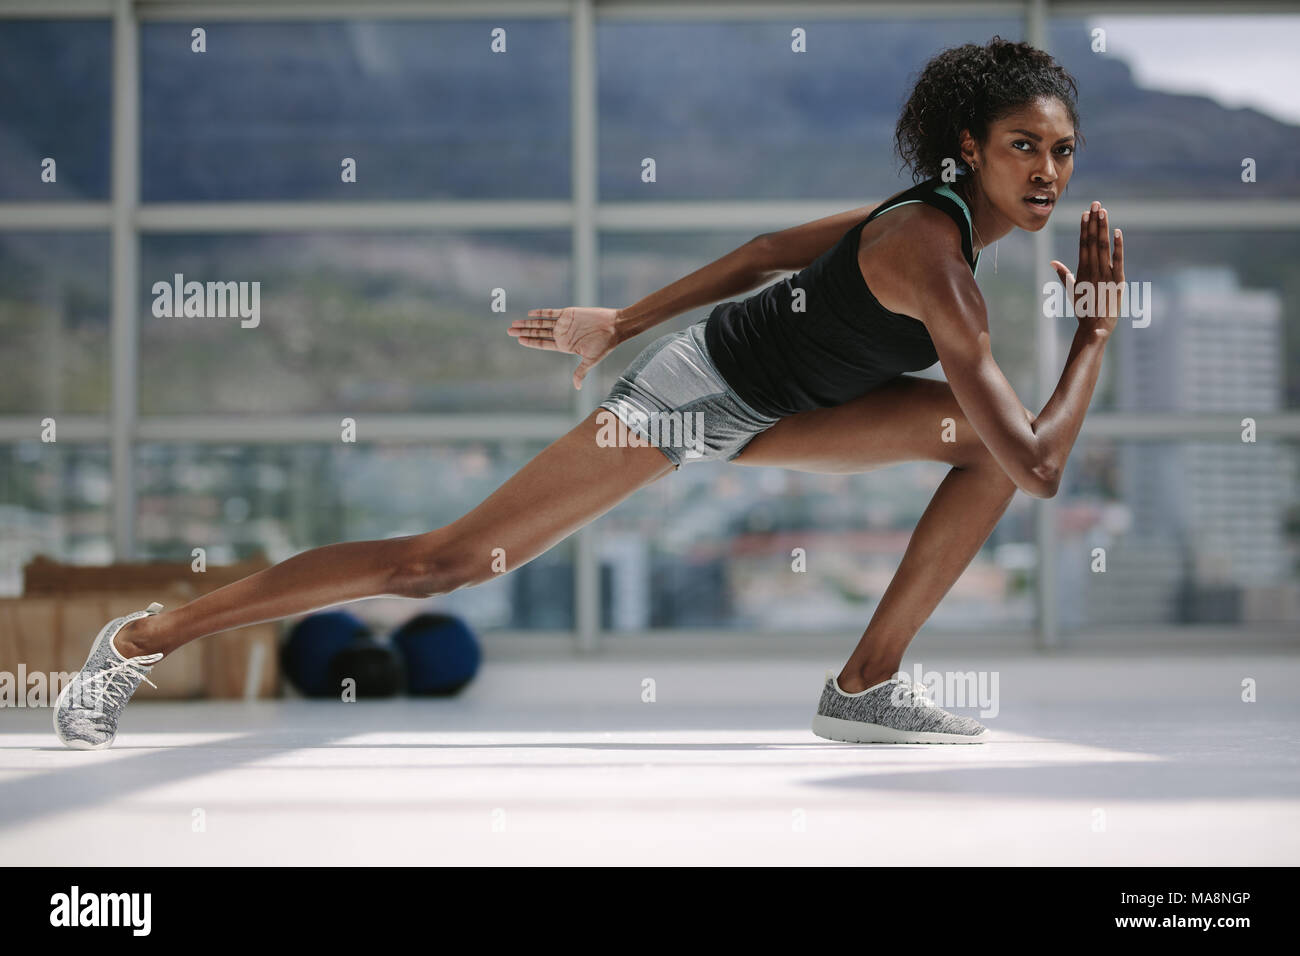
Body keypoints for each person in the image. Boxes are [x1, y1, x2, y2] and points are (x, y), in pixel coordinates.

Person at [55, 37, 1122, 750]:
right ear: (969, 149)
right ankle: (142, 641)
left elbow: (762, 249)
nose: (1043, 171)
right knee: (442, 564)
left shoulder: (938, 220)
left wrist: (617, 315)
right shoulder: (933, 256)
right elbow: (1044, 465)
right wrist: (1093, 334)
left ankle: (863, 685)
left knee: (980, 447)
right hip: (695, 393)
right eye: (1021, 145)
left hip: (784, 406)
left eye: (1061, 152)